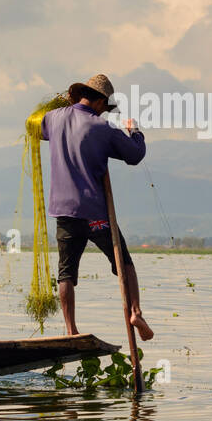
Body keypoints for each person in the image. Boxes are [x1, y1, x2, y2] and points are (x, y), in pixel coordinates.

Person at [41, 74, 153, 341]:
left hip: (64, 211)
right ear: (100, 101)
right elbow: (135, 155)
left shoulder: (53, 119)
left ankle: (70, 330)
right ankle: (135, 312)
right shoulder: (101, 128)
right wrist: (134, 131)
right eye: (105, 105)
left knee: (65, 272)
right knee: (123, 263)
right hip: (95, 212)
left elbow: (41, 130)